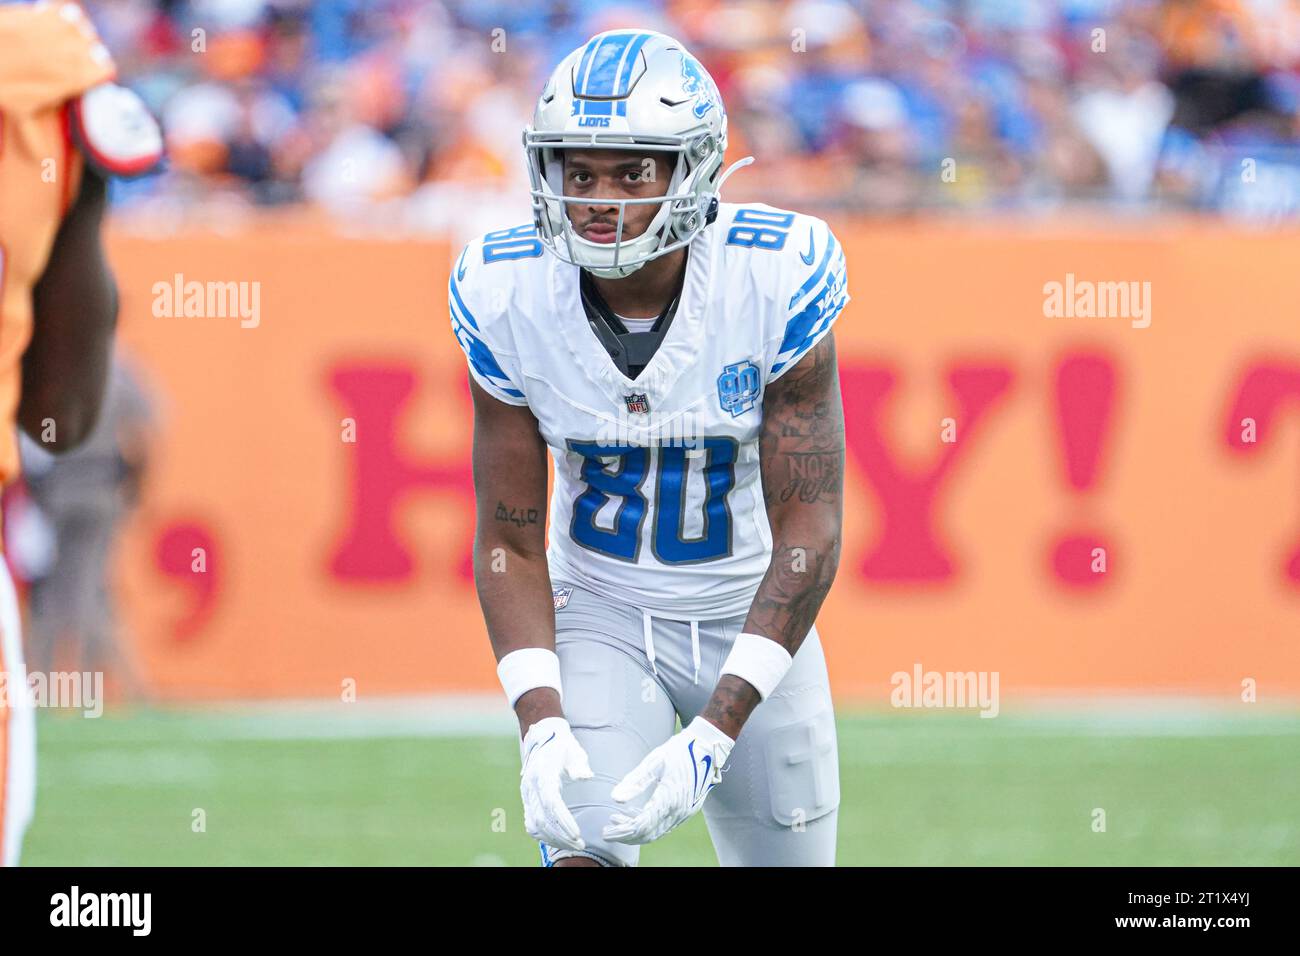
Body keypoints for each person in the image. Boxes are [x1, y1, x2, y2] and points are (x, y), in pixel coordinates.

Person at [451, 30, 849, 866]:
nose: (599, 199)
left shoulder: (773, 274)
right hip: (601, 611)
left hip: (748, 607)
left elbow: (809, 531)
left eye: (632, 172)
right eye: (579, 173)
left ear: (693, 169)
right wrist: (539, 721)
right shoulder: (505, 287)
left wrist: (716, 731)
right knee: (583, 847)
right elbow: (509, 539)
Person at [0, 0, 162, 867]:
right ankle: (103, 691)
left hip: (71, 497)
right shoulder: (41, 65)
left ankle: (105, 690)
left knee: (80, 598)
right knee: (77, 600)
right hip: (61, 486)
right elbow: (61, 408)